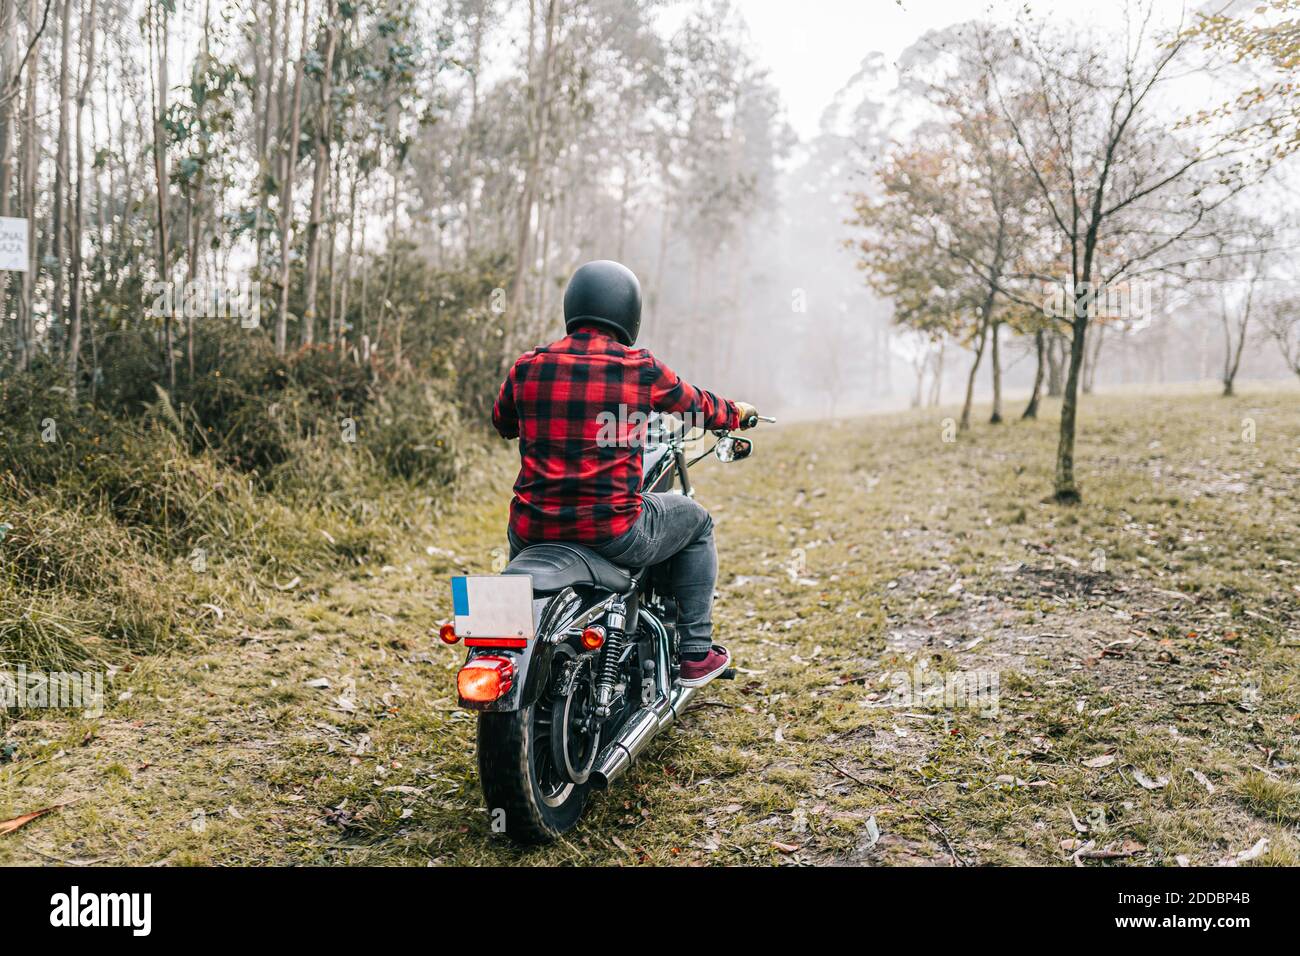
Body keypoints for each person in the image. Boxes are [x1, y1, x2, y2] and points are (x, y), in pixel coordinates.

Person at [492, 260, 758, 688]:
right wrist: (736, 413)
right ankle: (694, 653)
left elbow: (504, 423)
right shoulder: (639, 368)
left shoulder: (528, 366)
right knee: (697, 519)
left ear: (573, 307)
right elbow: (698, 406)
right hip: (612, 531)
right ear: (628, 313)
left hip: (532, 530)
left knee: (520, 532)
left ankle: (512, 641)